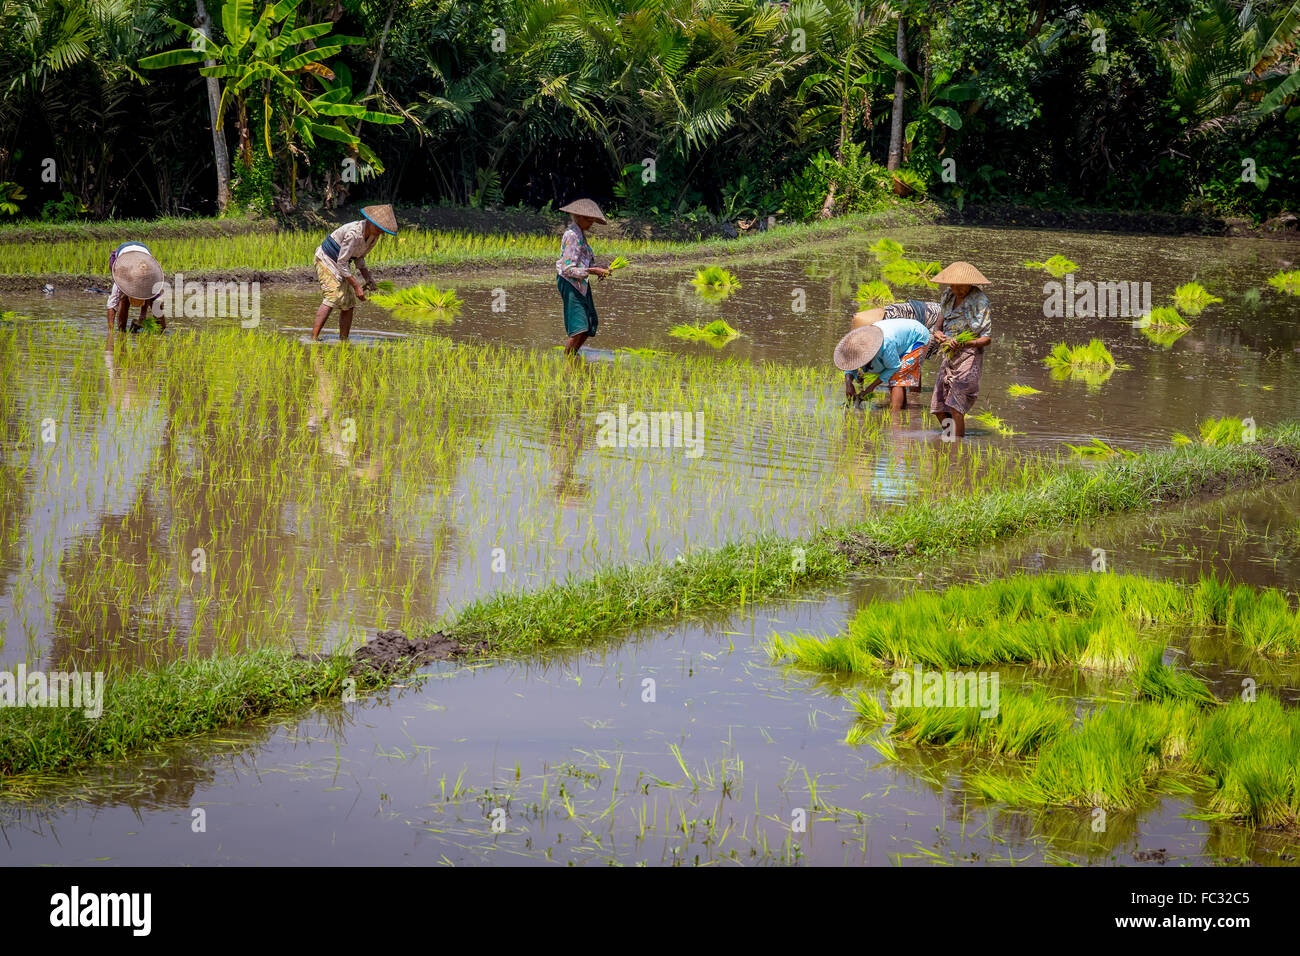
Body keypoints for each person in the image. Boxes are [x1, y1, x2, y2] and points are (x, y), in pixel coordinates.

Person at [311, 204, 398, 341]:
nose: (380, 232)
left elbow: (359, 258)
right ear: (369, 221)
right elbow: (342, 262)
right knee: (333, 296)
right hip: (326, 259)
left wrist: (368, 278)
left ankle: (344, 339)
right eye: (378, 228)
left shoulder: (373, 236)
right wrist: (357, 286)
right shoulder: (354, 233)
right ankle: (314, 339)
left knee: (349, 303)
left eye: (382, 231)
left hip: (341, 262)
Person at [927, 261, 992, 438]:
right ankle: (949, 440)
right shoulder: (948, 296)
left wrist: (965, 343)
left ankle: (957, 448)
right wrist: (938, 334)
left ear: (969, 284)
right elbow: (938, 326)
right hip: (948, 355)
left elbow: (986, 339)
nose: (955, 288)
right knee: (939, 407)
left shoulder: (980, 301)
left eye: (959, 285)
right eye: (952, 284)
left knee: (955, 406)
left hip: (969, 357)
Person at [834, 313, 933, 411]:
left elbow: (894, 367)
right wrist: (848, 383)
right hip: (899, 338)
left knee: (896, 378)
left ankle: (895, 418)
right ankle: (902, 407)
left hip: (917, 337)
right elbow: (850, 362)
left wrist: (871, 388)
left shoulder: (885, 345)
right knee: (897, 377)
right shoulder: (856, 344)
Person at [555, 198, 611, 354]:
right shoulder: (572, 235)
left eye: (593, 220)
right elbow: (567, 269)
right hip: (570, 283)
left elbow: (583, 263)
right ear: (577, 216)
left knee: (590, 323)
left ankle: (573, 356)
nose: (591, 223)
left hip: (581, 282)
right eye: (588, 219)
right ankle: (568, 360)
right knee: (579, 327)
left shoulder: (581, 235)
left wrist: (601, 269)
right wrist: (593, 271)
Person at [106, 243, 164, 333]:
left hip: (143, 255)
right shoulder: (122, 276)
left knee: (156, 303)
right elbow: (112, 305)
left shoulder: (150, 276)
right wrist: (110, 332)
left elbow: (149, 294)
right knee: (124, 299)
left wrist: (143, 315)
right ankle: (122, 330)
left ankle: (161, 331)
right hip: (122, 257)